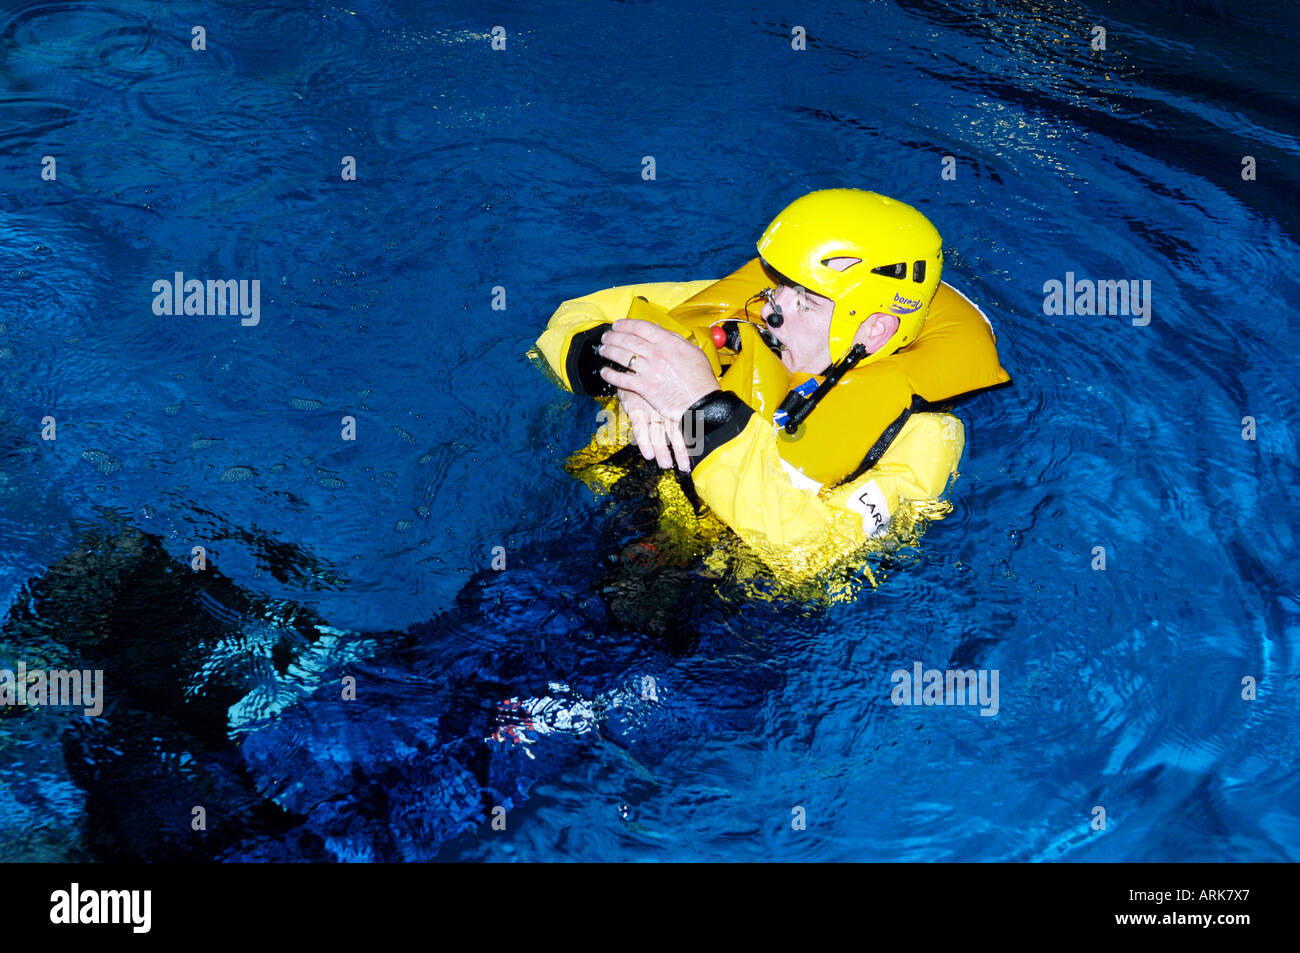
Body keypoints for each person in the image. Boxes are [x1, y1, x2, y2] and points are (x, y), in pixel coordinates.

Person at [533, 189, 1011, 581]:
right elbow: (563, 325)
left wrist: (700, 407)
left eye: (804, 301)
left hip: (719, 605)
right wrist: (628, 371)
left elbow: (817, 557)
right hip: (596, 522)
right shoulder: (736, 311)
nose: (768, 309)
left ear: (873, 329)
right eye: (778, 286)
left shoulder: (926, 438)